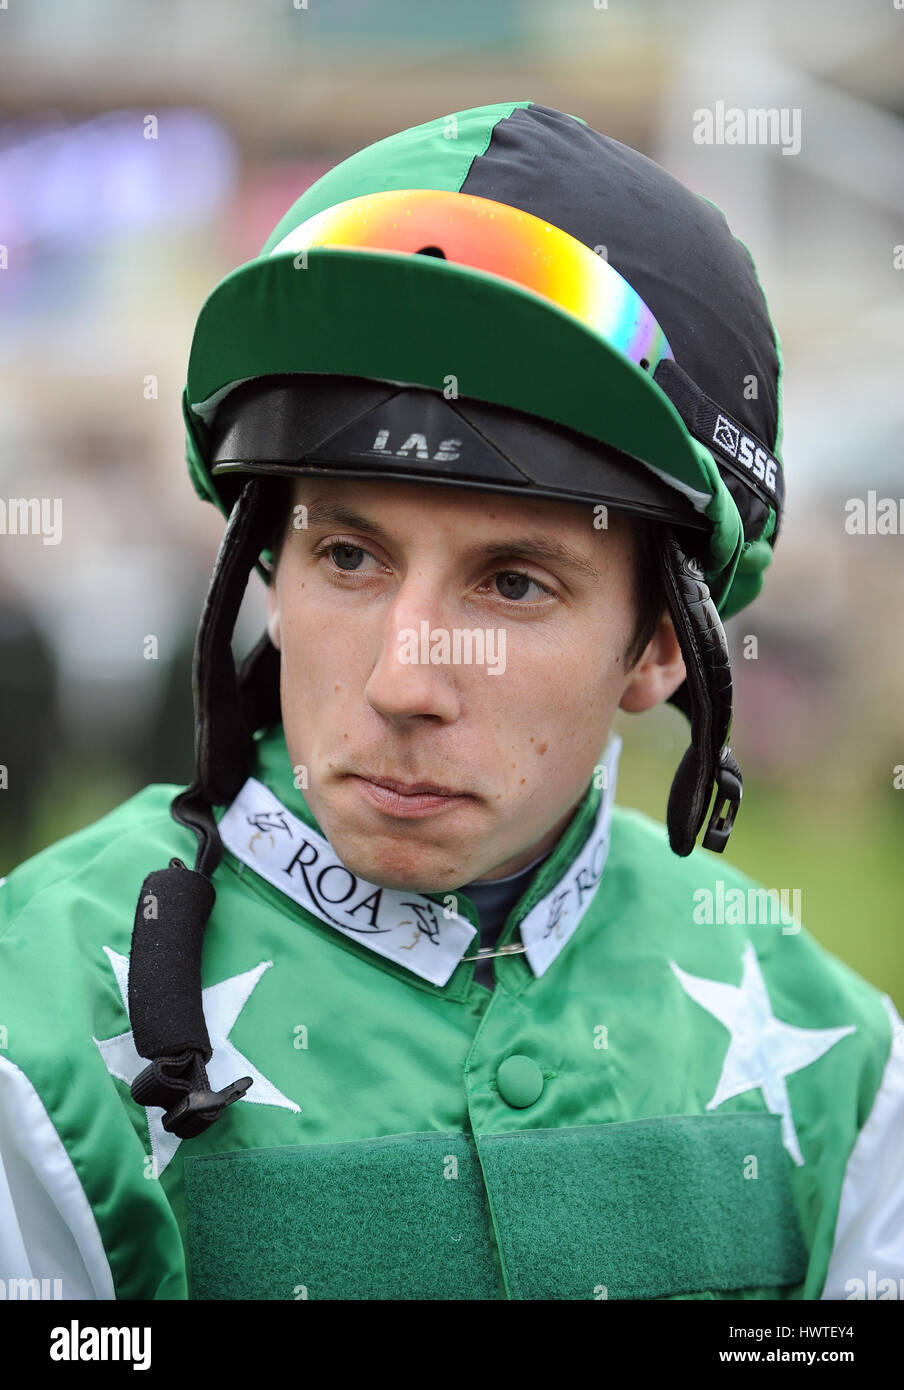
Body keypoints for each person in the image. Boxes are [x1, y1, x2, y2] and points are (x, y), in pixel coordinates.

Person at [0, 101, 900, 1303]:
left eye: (513, 582)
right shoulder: (30, 1030)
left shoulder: (840, 1063)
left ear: (659, 650)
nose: (400, 680)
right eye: (348, 557)